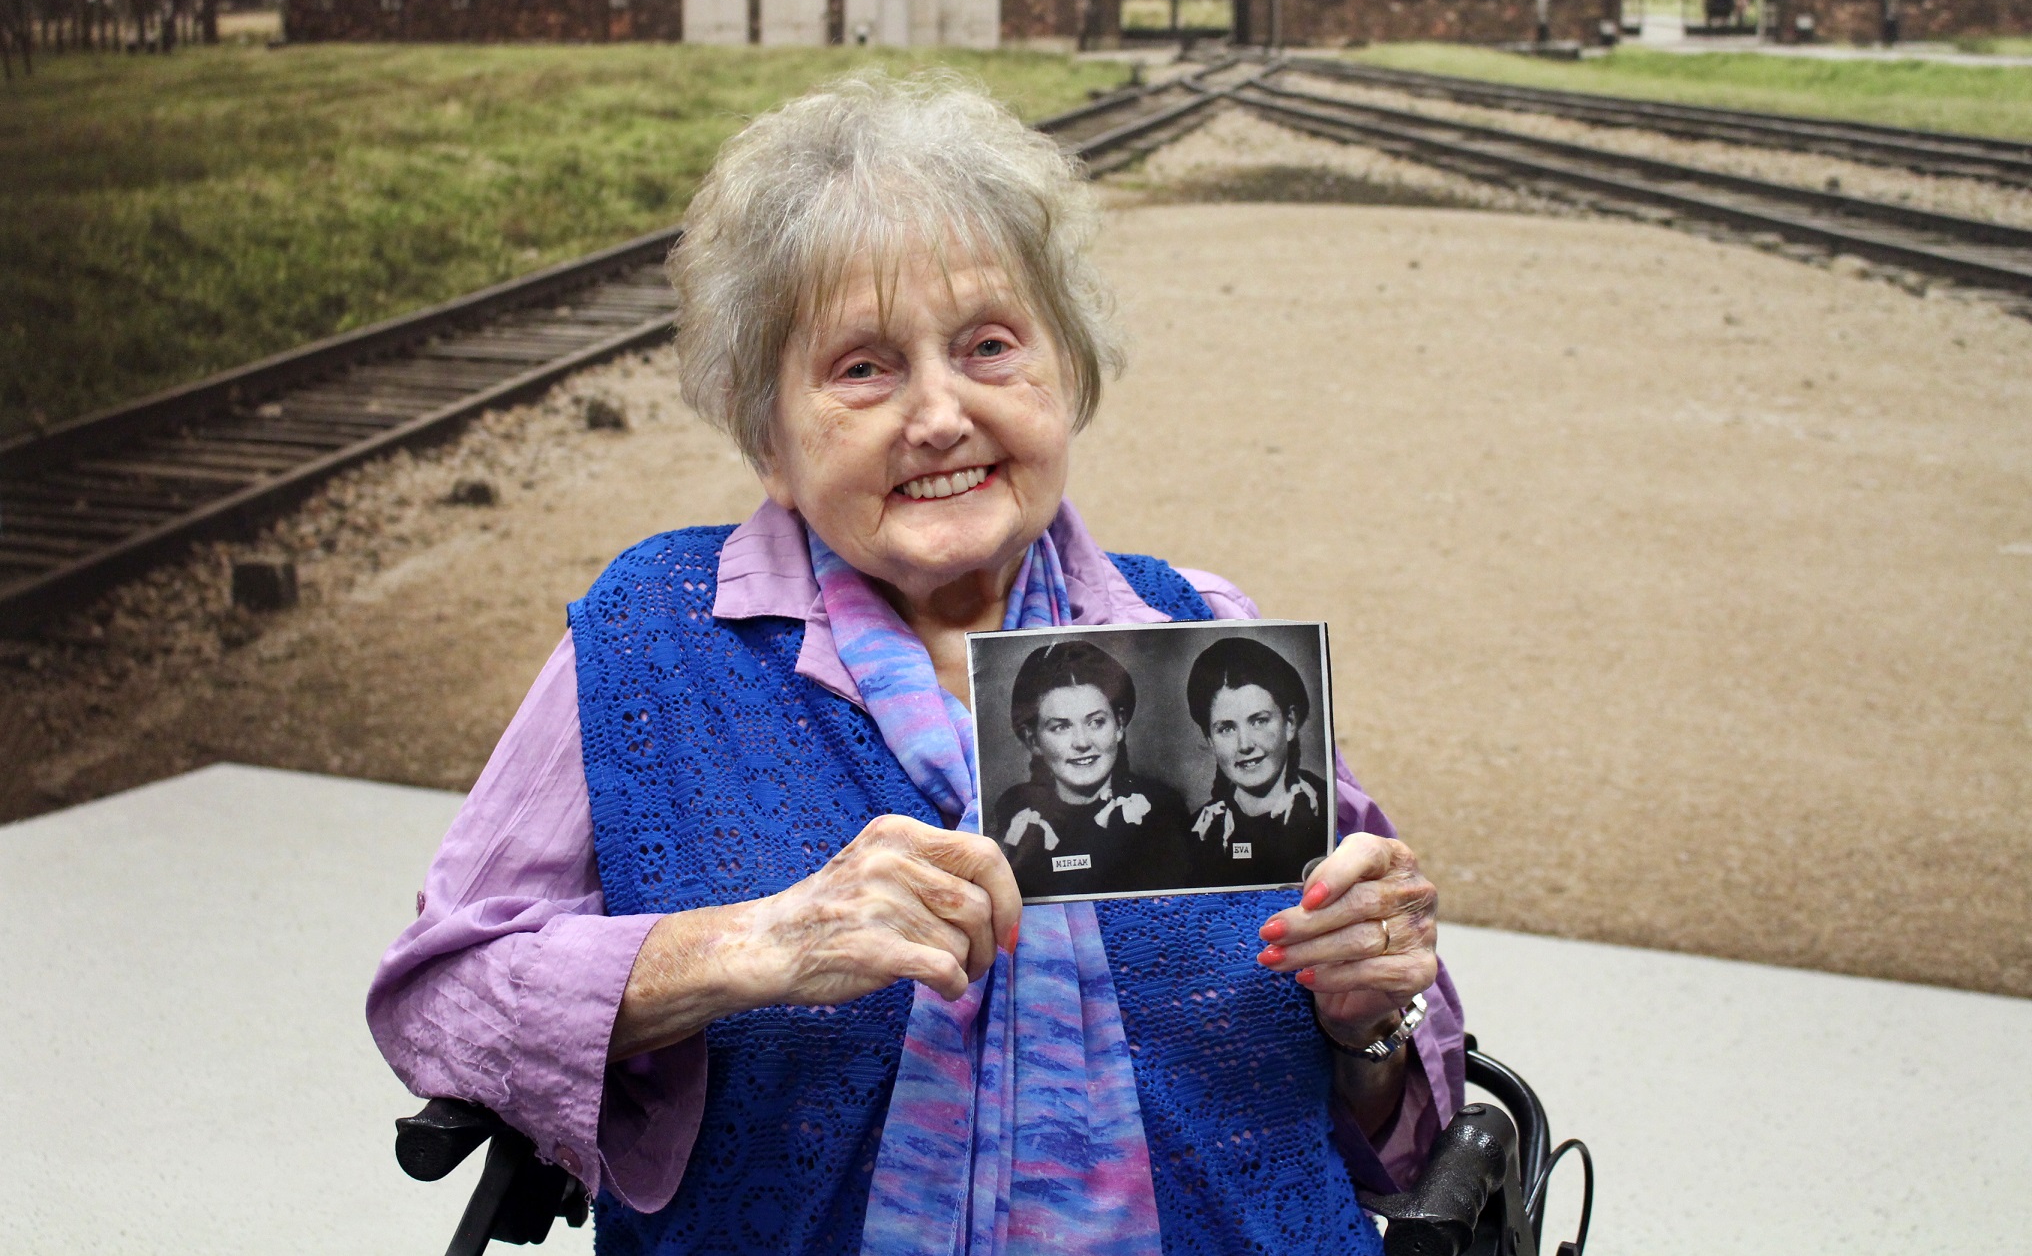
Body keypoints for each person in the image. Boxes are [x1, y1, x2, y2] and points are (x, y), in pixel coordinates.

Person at [367, 72, 1464, 1256]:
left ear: (1066, 373)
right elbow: (438, 999)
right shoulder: (653, 637)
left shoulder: (1200, 633)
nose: (939, 415)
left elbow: (1403, 1135)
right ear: (767, 437)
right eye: (863, 367)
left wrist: (1369, 1016)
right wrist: (753, 945)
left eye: (989, 346)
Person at [991, 639, 1189, 899]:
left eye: (1096, 722)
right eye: (1061, 727)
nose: (1082, 742)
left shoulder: (1161, 809)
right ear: (1033, 740)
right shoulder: (1014, 812)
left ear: (1119, 725)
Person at [1185, 636, 1332, 889]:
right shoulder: (1199, 833)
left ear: (1289, 723)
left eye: (1259, 721)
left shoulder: (1327, 809)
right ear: (1209, 739)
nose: (1245, 744)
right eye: (1226, 729)